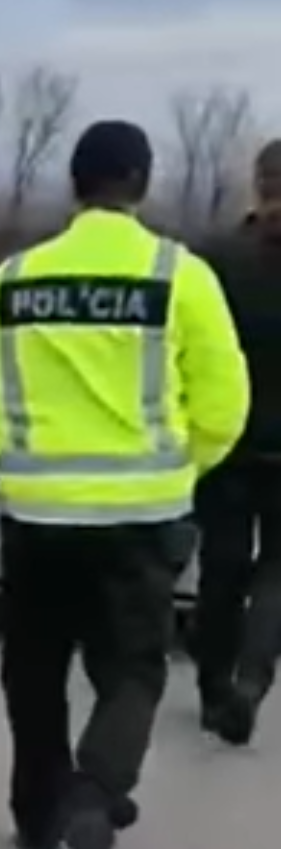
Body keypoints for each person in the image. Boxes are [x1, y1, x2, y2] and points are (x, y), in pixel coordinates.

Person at [0, 119, 248, 849]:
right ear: (142, 183)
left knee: (34, 670)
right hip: (144, 520)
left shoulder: (10, 281)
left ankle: (38, 820)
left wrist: (26, 462)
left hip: (38, 516)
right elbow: (225, 404)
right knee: (132, 671)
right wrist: (181, 471)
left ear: (74, 185)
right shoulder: (179, 277)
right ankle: (96, 791)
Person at [188, 140, 281, 747]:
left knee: (222, 566)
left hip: (227, 440)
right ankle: (252, 681)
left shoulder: (215, 260)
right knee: (278, 568)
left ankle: (213, 688)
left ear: (257, 184)